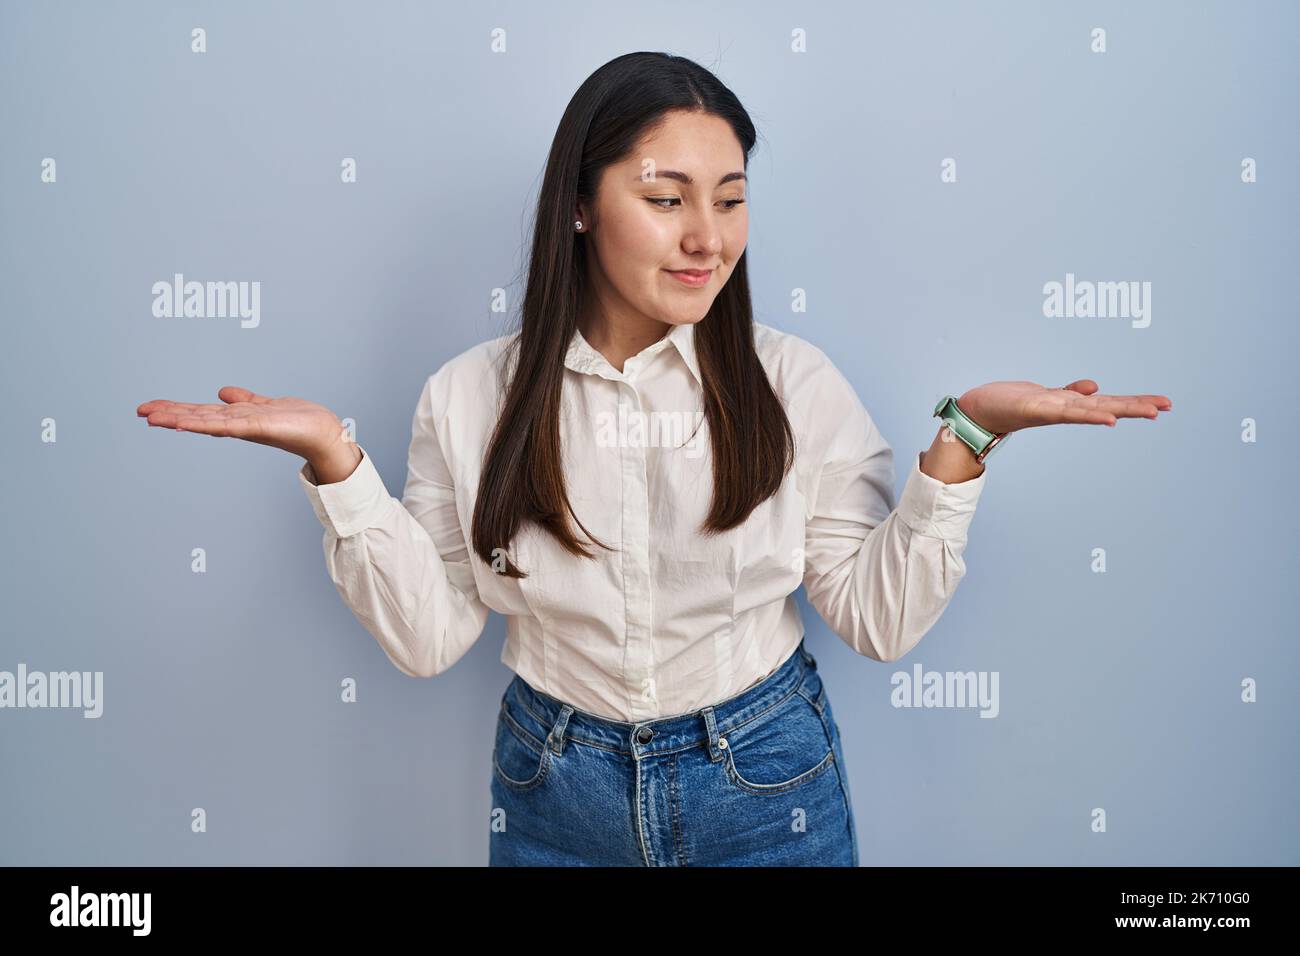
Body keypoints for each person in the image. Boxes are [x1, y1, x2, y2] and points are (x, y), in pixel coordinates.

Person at [135, 52, 1171, 866]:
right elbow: (430, 636)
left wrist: (964, 441)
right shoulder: (467, 395)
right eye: (665, 196)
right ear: (581, 204)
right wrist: (335, 465)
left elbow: (878, 618)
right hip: (551, 785)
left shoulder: (794, 384)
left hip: (765, 781)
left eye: (729, 196)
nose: (706, 237)